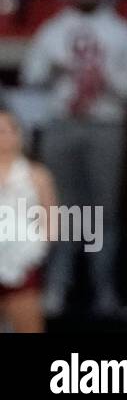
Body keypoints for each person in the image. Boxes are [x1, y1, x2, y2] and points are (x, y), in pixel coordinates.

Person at [20, 0, 127, 318]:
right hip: (62, 124)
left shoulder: (122, 33)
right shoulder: (54, 30)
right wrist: (60, 66)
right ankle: (56, 288)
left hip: (104, 126)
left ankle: (103, 290)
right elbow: (31, 75)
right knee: (59, 209)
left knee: (101, 211)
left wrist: (100, 73)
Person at [0, 108, 56, 333]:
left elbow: (50, 219)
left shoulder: (37, 175)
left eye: (7, 130)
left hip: (22, 263)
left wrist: (34, 250)